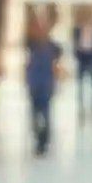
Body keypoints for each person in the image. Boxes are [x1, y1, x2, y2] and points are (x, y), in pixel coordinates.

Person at [26, 19, 64, 157]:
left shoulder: (53, 47)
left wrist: (57, 80)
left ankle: (44, 140)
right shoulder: (31, 45)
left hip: (46, 83)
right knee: (35, 113)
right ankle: (38, 137)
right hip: (34, 83)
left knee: (45, 112)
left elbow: (57, 66)